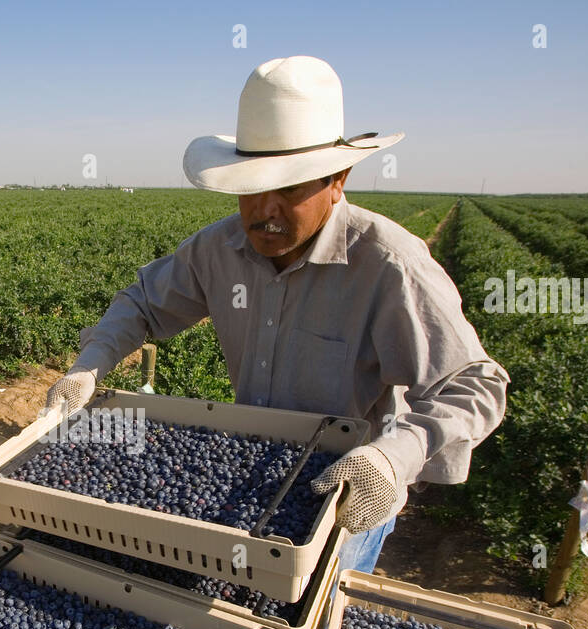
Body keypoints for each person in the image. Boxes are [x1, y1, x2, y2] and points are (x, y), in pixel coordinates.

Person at [44, 55, 508, 575]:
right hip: (249, 477)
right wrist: (93, 360)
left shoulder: (388, 265)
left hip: (346, 494)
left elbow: (474, 384)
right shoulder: (218, 250)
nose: (264, 210)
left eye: (288, 189)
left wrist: (394, 456)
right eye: (250, 188)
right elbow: (143, 303)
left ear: (338, 179)